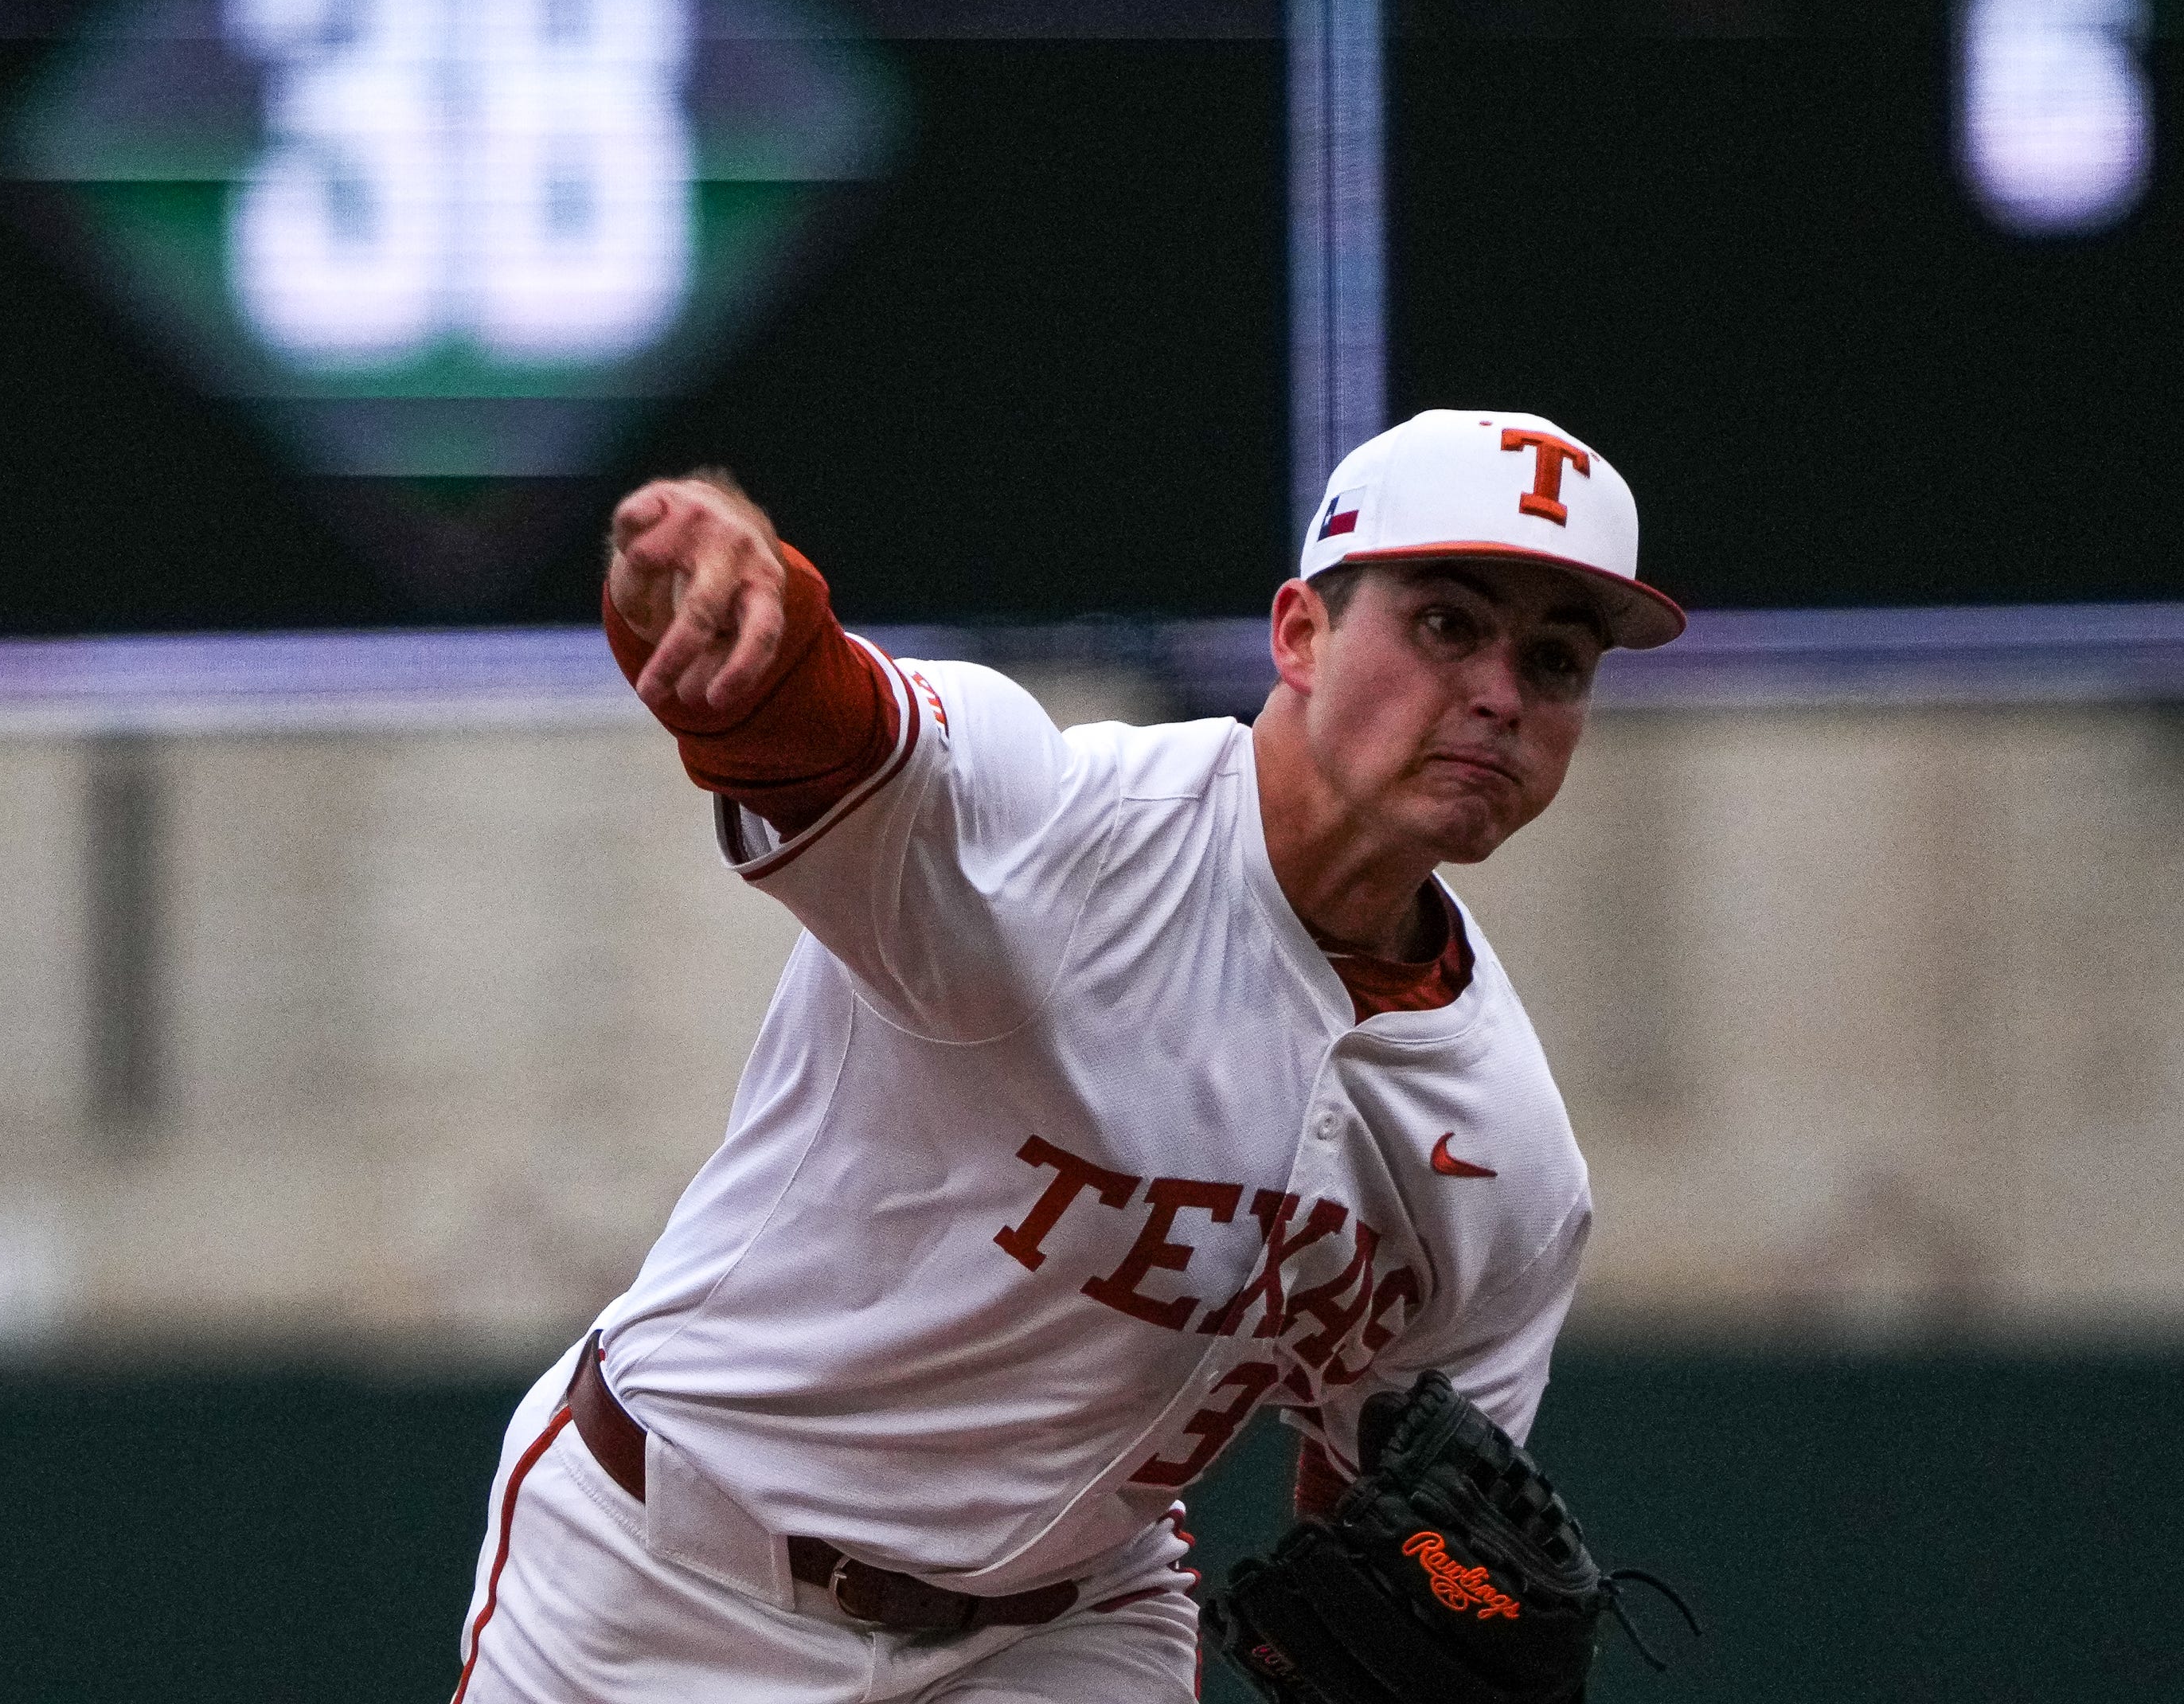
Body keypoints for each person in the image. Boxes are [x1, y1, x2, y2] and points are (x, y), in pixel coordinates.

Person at [451, 408, 1685, 1702]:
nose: (1499, 693)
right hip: (672, 1575)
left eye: (1557, 662)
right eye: (1448, 624)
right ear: (1300, 634)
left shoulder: (1507, 1155)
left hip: (1068, 1628)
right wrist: (747, 613)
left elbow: (1393, 1507)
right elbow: (824, 729)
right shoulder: (1064, 832)